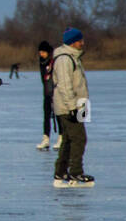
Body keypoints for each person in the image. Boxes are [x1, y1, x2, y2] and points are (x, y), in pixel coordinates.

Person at [51, 28, 93, 186]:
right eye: (80, 40)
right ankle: (75, 172)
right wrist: (71, 108)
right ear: (72, 42)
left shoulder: (75, 57)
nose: (82, 43)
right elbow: (64, 85)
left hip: (81, 103)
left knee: (69, 139)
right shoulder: (64, 59)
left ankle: (61, 172)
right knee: (79, 138)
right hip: (70, 105)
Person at [35, 41, 58, 150]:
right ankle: (46, 139)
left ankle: (61, 138)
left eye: (43, 52)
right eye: (40, 52)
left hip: (56, 92)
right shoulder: (42, 62)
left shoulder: (54, 61)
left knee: (58, 115)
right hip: (47, 92)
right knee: (46, 115)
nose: (41, 54)